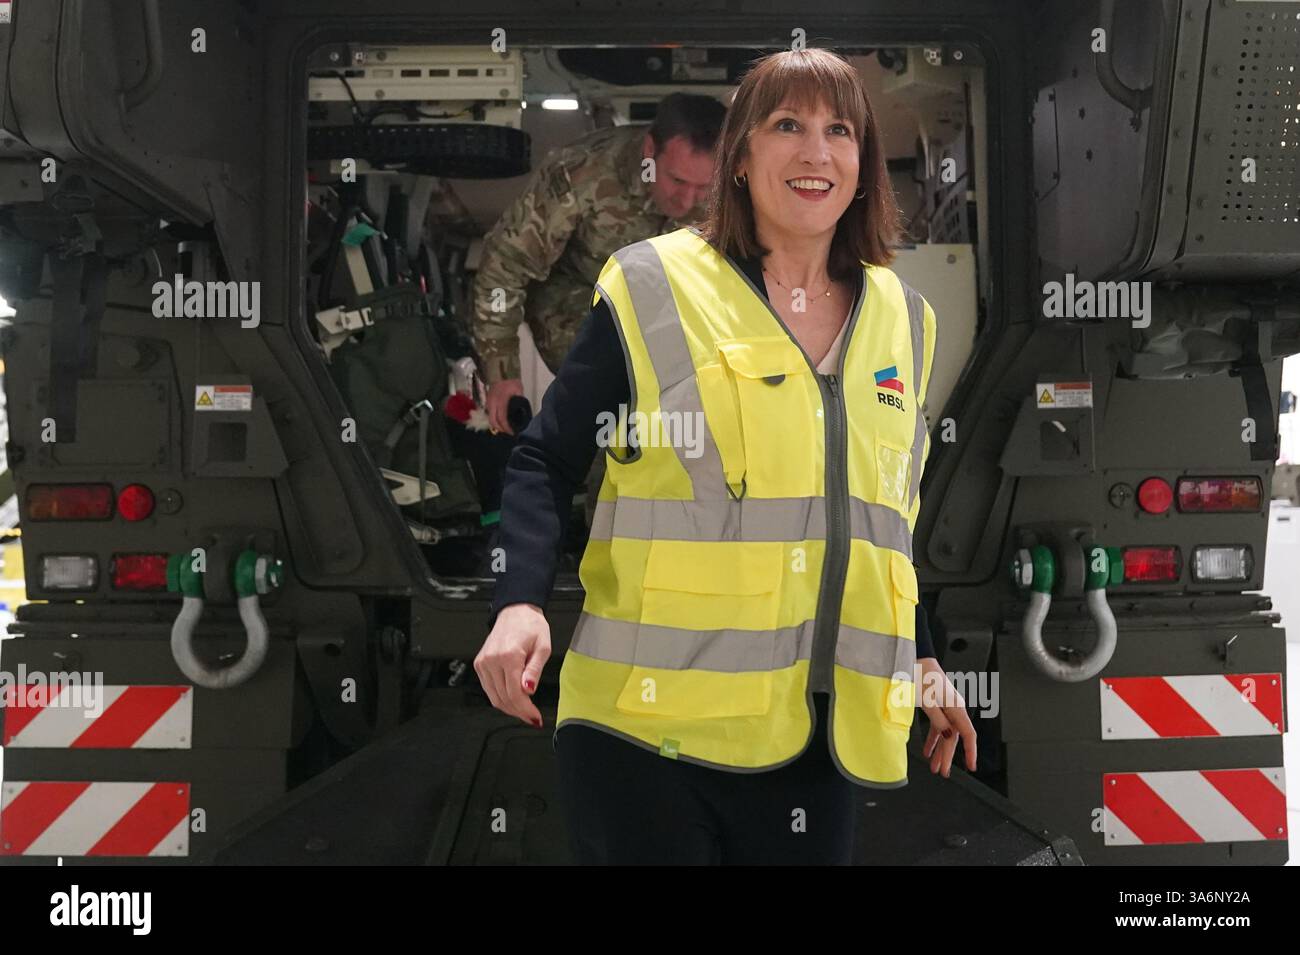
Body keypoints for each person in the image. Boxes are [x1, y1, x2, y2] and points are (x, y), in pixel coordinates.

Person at [475, 49, 977, 865]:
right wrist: (518, 602)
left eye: (840, 131)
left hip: (815, 737)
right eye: (788, 125)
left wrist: (920, 658)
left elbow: (879, 524)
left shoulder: (905, 319)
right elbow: (544, 459)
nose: (816, 152)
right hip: (644, 738)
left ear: (862, 163)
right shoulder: (656, 286)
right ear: (739, 158)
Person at [471, 93, 726, 434]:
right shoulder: (581, 173)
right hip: (582, 297)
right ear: (650, 151)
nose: (687, 200)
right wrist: (502, 374)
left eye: (703, 187)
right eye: (677, 180)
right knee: (611, 390)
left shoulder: (739, 186)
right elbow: (505, 265)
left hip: (677, 301)